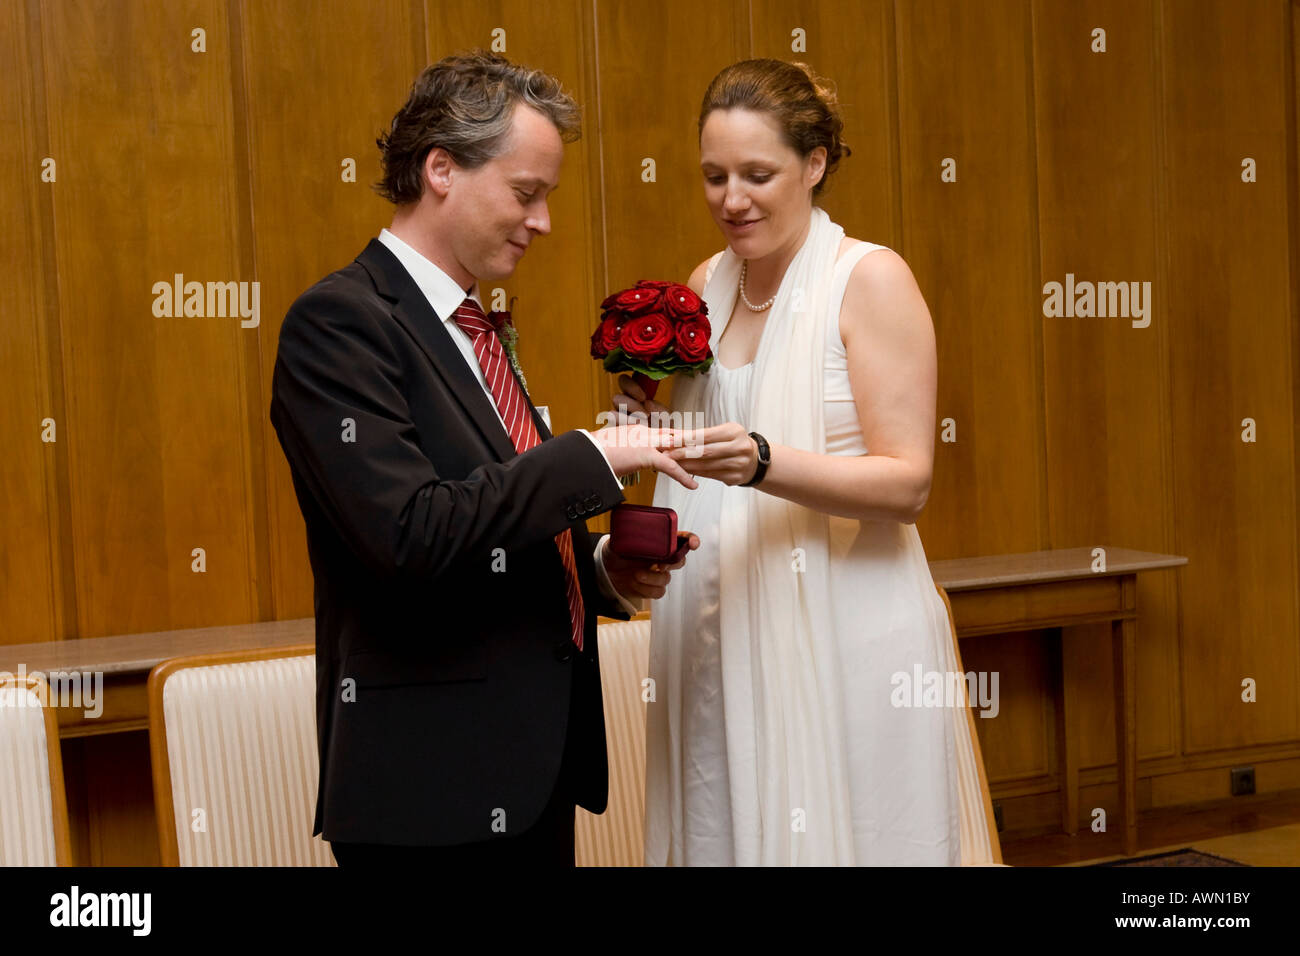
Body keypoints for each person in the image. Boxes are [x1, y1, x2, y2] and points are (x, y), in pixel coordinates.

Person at [269, 50, 699, 867]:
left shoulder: (476, 328)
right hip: (432, 787)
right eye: (525, 193)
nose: (542, 221)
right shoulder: (338, 324)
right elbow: (408, 534)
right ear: (440, 169)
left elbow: (494, 517)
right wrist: (594, 453)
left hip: (530, 768)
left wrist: (600, 568)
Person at [617, 59, 972, 865]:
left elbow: (908, 482)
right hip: (719, 620)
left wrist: (766, 461)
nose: (731, 199)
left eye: (756, 174)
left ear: (814, 165)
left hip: (848, 624)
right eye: (713, 176)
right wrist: (643, 420)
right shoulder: (707, 283)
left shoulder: (870, 280)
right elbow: (698, 453)